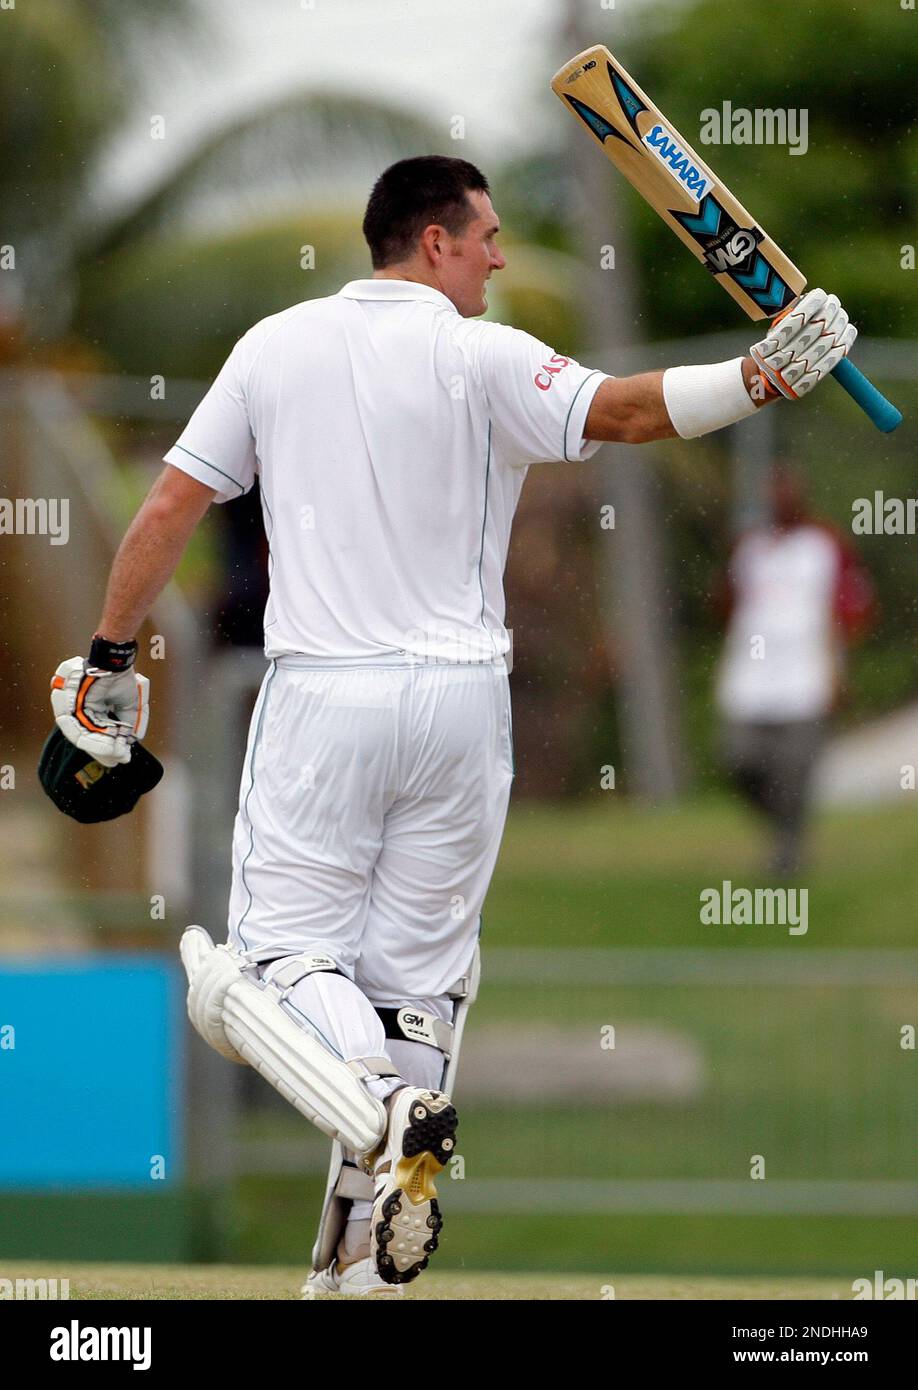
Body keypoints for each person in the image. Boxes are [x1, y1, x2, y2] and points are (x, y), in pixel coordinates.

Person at [49, 156, 857, 1297]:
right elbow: (625, 411)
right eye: (484, 236)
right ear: (431, 242)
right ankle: (363, 1259)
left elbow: (173, 503)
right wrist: (761, 377)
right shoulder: (484, 357)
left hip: (328, 697)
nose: (499, 255)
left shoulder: (274, 346)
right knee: (416, 994)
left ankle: (385, 1112)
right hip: (466, 713)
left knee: (273, 971)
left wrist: (113, 658)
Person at [716, 466, 874, 875]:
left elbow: (850, 609)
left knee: (794, 772)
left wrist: (837, 669)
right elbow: (727, 605)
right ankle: (782, 829)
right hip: (750, 678)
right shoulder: (750, 547)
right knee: (739, 760)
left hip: (805, 678)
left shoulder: (824, 544)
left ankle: (788, 854)